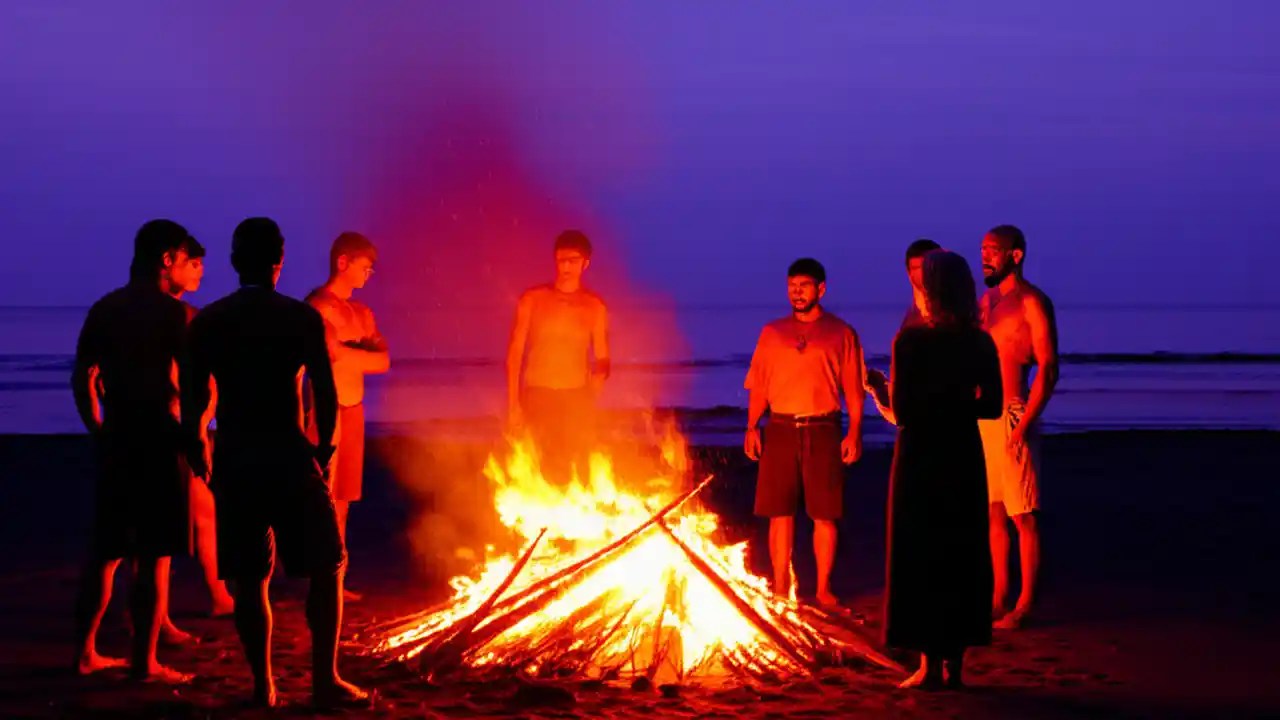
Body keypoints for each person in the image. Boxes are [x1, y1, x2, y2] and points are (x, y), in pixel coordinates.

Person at [182, 217, 366, 708]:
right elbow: (323, 393)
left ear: (235, 261)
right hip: (288, 455)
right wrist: (324, 450)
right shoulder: (299, 319)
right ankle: (324, 681)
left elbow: (197, 400)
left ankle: (264, 686)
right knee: (329, 565)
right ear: (279, 262)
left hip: (238, 458)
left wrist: (198, 445)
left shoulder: (209, 322)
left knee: (249, 577)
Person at [71, 219, 195, 683]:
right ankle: (145, 663)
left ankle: (85, 652)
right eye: (184, 258)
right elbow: (198, 386)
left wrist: (97, 429)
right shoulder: (175, 315)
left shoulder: (105, 309)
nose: (186, 266)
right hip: (160, 437)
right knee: (154, 556)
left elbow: (83, 377)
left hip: (118, 434)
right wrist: (196, 436)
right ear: (166, 259)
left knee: (105, 553)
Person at [882, 250, 1003, 689]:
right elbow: (991, 406)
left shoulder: (910, 341)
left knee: (920, 551)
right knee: (960, 551)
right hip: (962, 451)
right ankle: (954, 666)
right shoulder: (979, 341)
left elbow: (904, 411)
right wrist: (956, 403)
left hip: (920, 454)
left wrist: (922, 401)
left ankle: (928, 665)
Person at [743, 258, 864, 606]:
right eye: (792, 286)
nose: (797, 293)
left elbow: (853, 390)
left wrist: (854, 431)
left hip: (823, 427)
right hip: (779, 426)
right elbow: (759, 386)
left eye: (804, 286)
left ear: (821, 289)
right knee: (779, 512)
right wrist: (752, 425)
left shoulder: (841, 333)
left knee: (824, 514)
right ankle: (781, 585)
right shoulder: (772, 332)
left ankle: (824, 588)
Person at [979, 224, 1059, 630]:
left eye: (994, 249)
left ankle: (1025, 602)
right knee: (992, 511)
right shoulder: (984, 303)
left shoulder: (1032, 301)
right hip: (981, 418)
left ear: (1016, 255)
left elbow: (1048, 367)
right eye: (983, 249)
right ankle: (997, 597)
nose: (986, 256)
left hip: (1013, 411)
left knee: (1022, 513)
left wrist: (1025, 421)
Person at [305, 232, 389, 602]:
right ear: (343, 262)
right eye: (364, 267)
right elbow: (324, 355)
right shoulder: (316, 306)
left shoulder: (364, 313)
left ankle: (336, 579)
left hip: (354, 409)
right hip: (325, 410)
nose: (369, 274)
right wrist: (354, 354)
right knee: (318, 498)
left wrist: (345, 351)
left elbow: (383, 361)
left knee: (343, 501)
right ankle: (319, 578)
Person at [165, 236, 236, 624]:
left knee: (203, 512)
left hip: (185, 425)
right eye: (194, 264)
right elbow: (190, 378)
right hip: (176, 427)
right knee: (163, 524)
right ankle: (214, 596)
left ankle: (215, 594)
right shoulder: (183, 319)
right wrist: (197, 430)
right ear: (169, 261)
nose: (201, 271)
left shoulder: (186, 317)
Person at [505, 229, 610, 484]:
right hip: (538, 393)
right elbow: (515, 353)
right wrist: (513, 404)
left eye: (573, 261)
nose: (566, 266)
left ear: (586, 263)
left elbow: (603, 357)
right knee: (540, 464)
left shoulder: (594, 306)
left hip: (575, 394)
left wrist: (592, 392)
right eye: (561, 260)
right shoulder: (533, 299)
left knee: (576, 465)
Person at [867, 239, 942, 423]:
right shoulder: (911, 317)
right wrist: (879, 389)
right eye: (918, 268)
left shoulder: (951, 317)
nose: (924, 274)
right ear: (909, 273)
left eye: (929, 267)